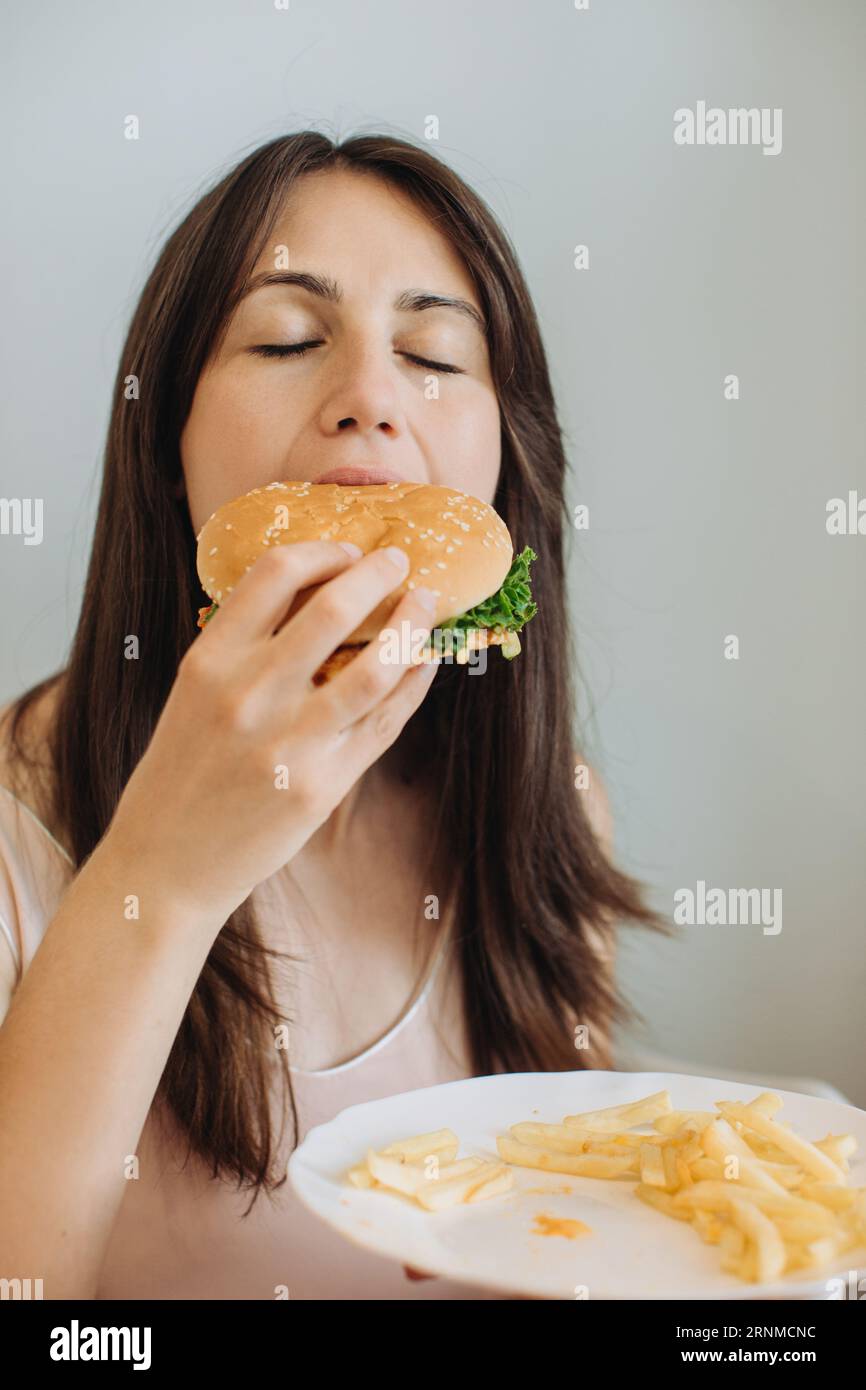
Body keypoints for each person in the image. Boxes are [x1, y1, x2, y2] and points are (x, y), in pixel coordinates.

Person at [0, 132, 664, 1300]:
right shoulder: (16, 831)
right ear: (166, 448)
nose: (368, 397)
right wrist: (165, 872)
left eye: (434, 355)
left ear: (506, 472)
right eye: (288, 339)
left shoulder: (553, 812)